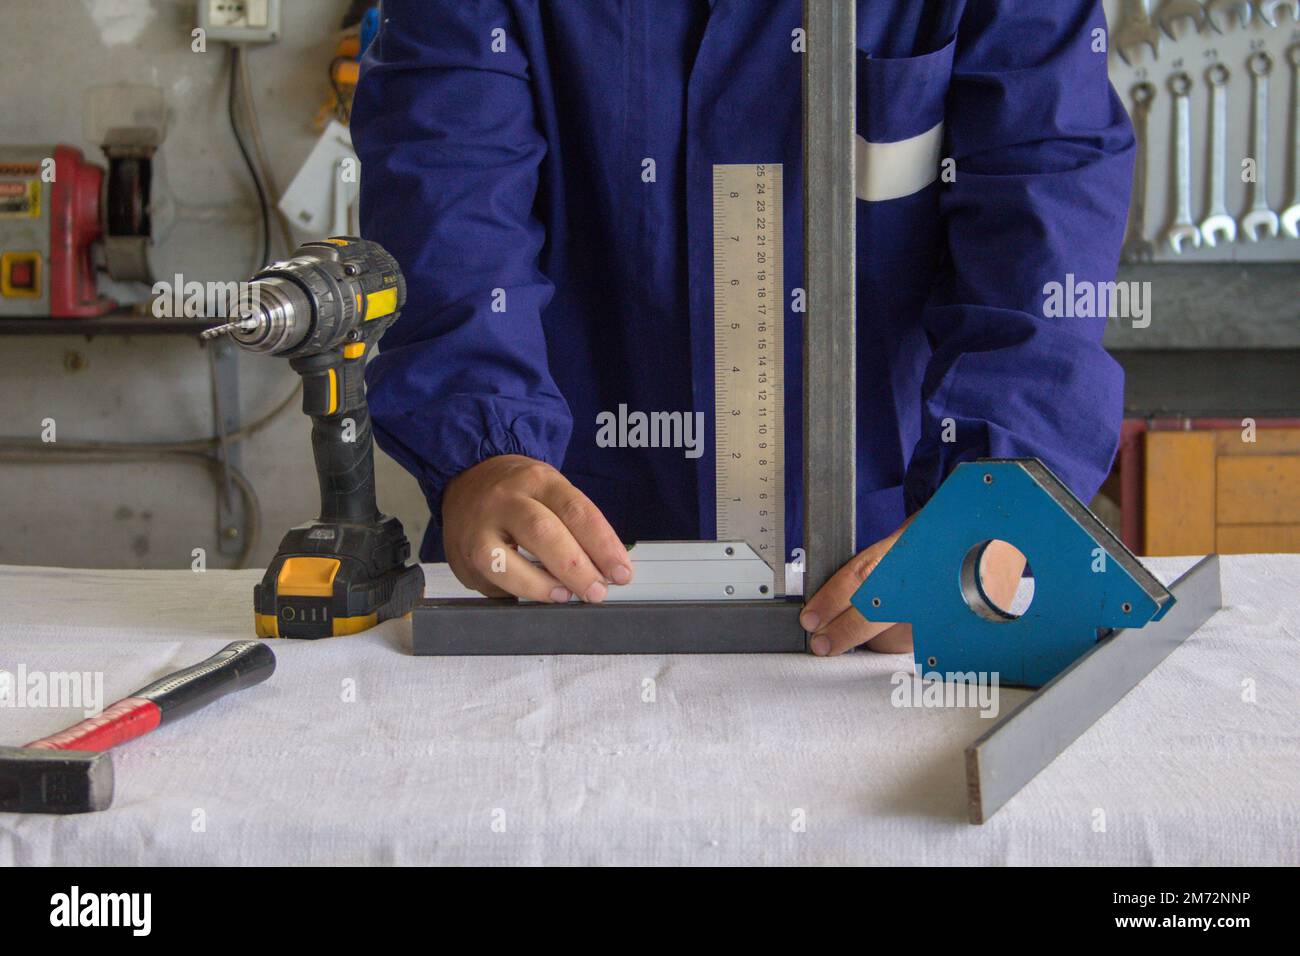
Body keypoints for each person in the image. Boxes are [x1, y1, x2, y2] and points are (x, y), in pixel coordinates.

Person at [350, 0, 1134, 656]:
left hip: (890, 579)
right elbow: (448, 191)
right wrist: (484, 456)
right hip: (566, 565)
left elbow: (1045, 206)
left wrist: (996, 499)